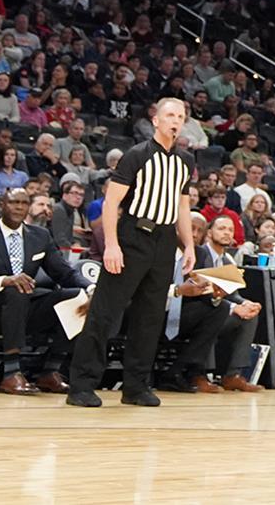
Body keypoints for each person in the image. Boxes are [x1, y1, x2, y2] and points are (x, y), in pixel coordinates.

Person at [66, 96, 197, 407]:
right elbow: (112, 203)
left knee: (150, 316)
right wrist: (112, 244)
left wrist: (188, 244)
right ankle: (81, 385)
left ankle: (136, 386)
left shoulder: (187, 161)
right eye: (169, 115)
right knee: (105, 311)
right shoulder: (136, 155)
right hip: (133, 235)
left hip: (164, 241)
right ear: (156, 119)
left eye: (180, 116)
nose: (175, 120)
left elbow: (182, 205)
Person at [0, 185, 84, 393]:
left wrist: (92, 287)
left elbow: (64, 273)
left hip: (28, 308)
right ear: (1, 206)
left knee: (78, 297)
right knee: (15, 289)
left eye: (24, 203)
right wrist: (4, 280)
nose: (19, 207)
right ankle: (11, 373)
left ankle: (50, 371)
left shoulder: (40, 236)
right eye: (14, 202)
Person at [173, 213, 264, 392]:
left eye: (230, 230)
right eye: (221, 228)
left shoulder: (228, 260)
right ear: (209, 233)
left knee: (249, 316)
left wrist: (246, 303)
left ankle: (232, 375)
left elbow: (233, 294)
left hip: (217, 307)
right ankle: (199, 374)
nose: (227, 233)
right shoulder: (199, 254)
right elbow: (203, 295)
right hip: (192, 311)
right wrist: (233, 307)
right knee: (217, 310)